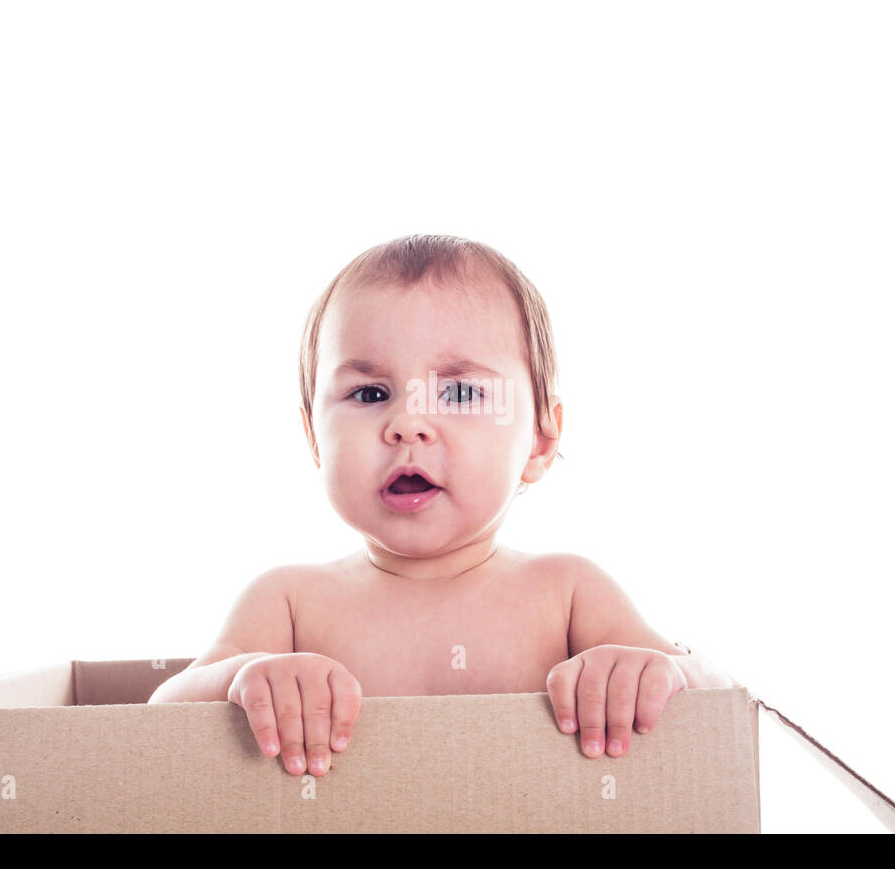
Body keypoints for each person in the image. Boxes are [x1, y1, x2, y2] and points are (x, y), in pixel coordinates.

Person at [149, 233, 737, 776]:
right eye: (369, 393)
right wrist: (242, 681)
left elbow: (719, 696)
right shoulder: (288, 602)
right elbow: (161, 709)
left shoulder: (567, 593)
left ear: (539, 439)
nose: (407, 424)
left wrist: (652, 673)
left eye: (459, 392)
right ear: (313, 439)